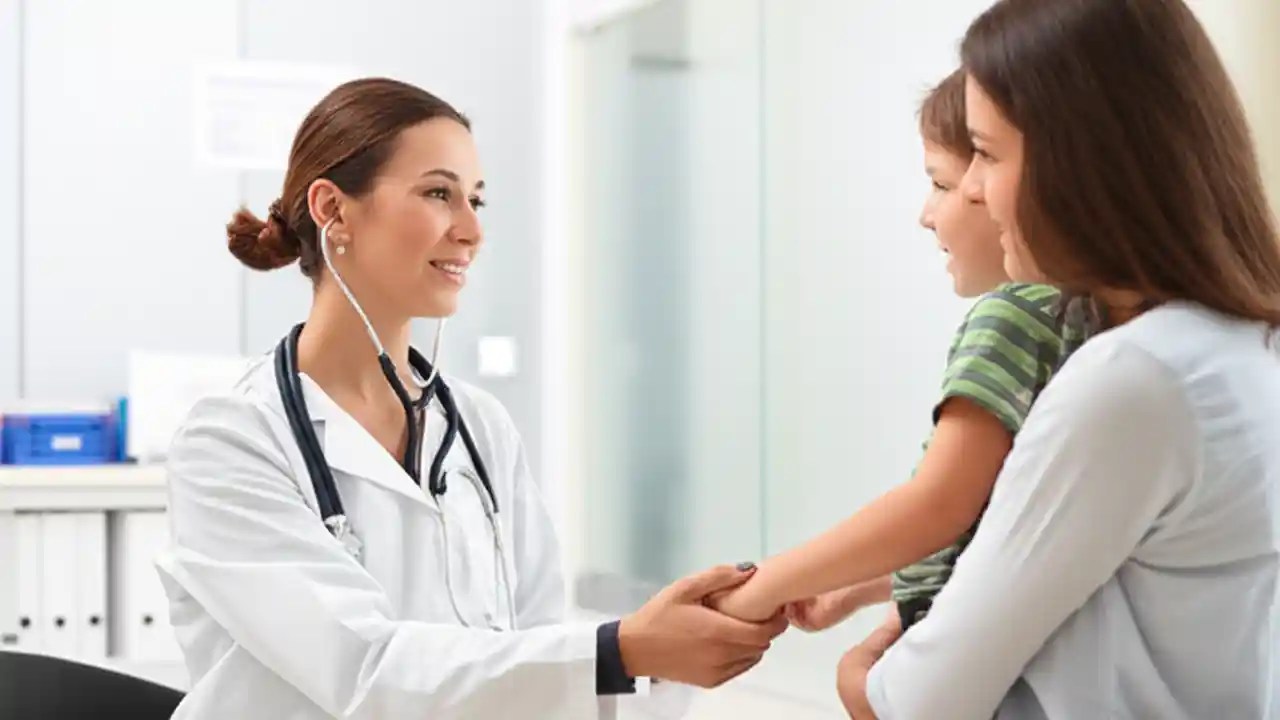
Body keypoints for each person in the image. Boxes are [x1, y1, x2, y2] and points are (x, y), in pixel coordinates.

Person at [156, 77, 786, 720]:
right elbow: (362, 670)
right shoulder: (232, 440)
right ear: (332, 209)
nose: (470, 231)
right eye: (438, 193)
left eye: (476, 201)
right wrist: (622, 651)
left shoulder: (479, 427)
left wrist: (660, 652)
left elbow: (535, 647)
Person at [839, 0, 1280, 717]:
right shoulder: (1239, 346)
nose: (972, 190)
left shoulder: (1135, 380)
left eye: (984, 153)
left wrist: (858, 674)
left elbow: (918, 702)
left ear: (1078, 159)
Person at [709, 70, 1084, 645]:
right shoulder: (1084, 314)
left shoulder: (1016, 314)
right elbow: (990, 524)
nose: (926, 214)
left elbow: (938, 504)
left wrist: (762, 587)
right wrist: (852, 587)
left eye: (940, 182)